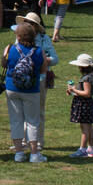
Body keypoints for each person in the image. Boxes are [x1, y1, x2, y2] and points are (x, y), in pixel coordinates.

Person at [2, 21, 49, 163]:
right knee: (32, 121)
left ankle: (19, 153)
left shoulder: (11, 49)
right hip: (31, 89)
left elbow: (4, 64)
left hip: (12, 87)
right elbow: (43, 70)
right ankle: (34, 154)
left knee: (16, 120)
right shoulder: (39, 51)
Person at [12, 11, 58, 151]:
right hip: (22, 79)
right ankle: (24, 141)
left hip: (39, 80)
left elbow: (55, 59)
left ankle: (38, 141)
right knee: (21, 112)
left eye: (30, 23)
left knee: (38, 112)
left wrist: (41, 61)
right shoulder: (18, 38)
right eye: (25, 22)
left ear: (36, 26)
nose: (27, 25)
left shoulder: (44, 39)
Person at [65, 52, 93, 158]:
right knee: (89, 127)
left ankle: (82, 149)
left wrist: (74, 89)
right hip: (88, 105)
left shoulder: (86, 79)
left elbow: (86, 93)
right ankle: (90, 148)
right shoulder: (91, 76)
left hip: (84, 105)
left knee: (84, 129)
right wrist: (73, 92)